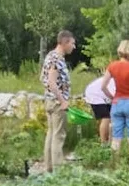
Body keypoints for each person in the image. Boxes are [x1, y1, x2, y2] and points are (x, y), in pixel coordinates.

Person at [40, 30, 77, 173]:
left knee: (51, 133)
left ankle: (48, 167)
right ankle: (58, 170)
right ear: (65, 42)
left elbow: (41, 78)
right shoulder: (56, 59)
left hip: (49, 100)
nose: (74, 47)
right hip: (56, 103)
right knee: (59, 135)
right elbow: (51, 81)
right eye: (72, 43)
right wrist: (62, 100)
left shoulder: (49, 56)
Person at [84, 72, 113, 143]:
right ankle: (104, 143)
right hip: (94, 94)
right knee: (106, 117)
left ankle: (105, 139)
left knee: (109, 117)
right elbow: (114, 97)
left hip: (102, 95)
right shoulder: (116, 82)